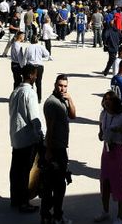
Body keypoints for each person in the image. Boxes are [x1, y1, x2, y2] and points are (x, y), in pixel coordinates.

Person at [40, 74, 76, 224]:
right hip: (54, 149)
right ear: (55, 85)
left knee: (57, 184)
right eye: (60, 85)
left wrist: (70, 99)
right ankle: (52, 216)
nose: (63, 88)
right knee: (54, 185)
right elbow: (50, 128)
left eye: (65, 86)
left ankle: (54, 215)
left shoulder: (63, 100)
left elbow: (73, 116)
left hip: (61, 147)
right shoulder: (52, 103)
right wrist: (48, 151)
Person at [8, 64, 43, 214]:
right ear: (30, 75)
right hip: (27, 139)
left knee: (15, 170)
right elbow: (35, 118)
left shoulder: (15, 91)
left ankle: (15, 198)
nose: (36, 77)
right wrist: (41, 136)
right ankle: (24, 202)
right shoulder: (30, 93)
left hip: (16, 138)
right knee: (24, 172)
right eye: (35, 74)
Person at [94, 90, 122, 224]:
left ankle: (120, 217)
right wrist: (101, 135)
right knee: (104, 182)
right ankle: (105, 211)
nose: (107, 102)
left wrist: (121, 130)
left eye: (109, 99)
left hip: (118, 150)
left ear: (115, 102)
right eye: (105, 99)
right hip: (106, 150)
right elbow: (100, 132)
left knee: (119, 183)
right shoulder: (103, 114)